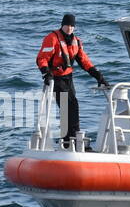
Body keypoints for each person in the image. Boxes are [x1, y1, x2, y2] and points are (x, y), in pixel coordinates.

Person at [36, 13, 110, 149]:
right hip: (56, 78)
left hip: (68, 78)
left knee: (73, 106)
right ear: (62, 25)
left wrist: (99, 76)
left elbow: (84, 61)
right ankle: (68, 141)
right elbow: (42, 58)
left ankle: (72, 139)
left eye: (72, 26)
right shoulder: (52, 38)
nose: (69, 28)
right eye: (67, 25)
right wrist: (46, 73)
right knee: (66, 107)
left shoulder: (76, 41)